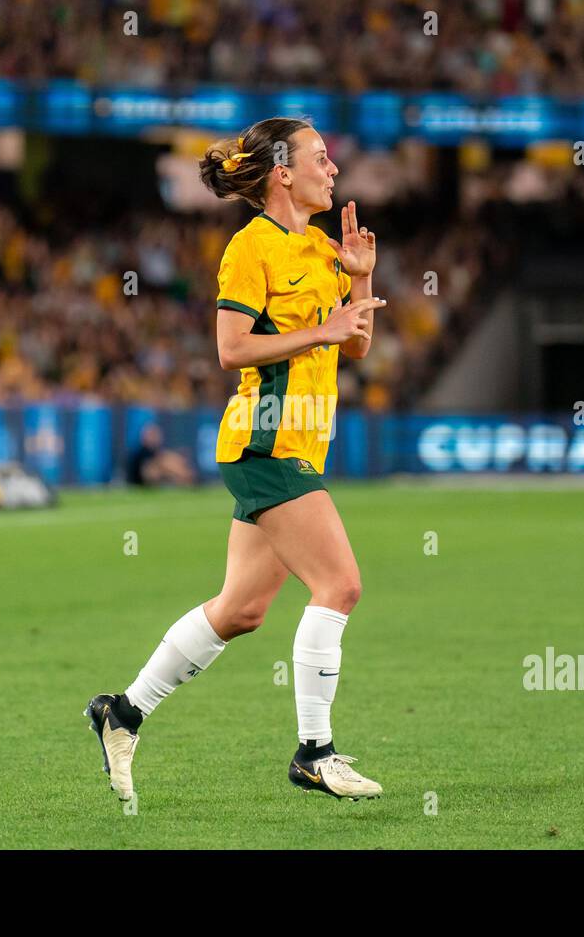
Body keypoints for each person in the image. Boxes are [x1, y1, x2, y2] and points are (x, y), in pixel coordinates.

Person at [86, 117, 388, 801]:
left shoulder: (319, 249)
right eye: (322, 158)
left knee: (242, 609)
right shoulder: (250, 248)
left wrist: (361, 284)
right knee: (340, 585)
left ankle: (121, 712)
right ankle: (316, 752)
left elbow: (355, 346)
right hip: (266, 438)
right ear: (284, 173)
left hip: (302, 440)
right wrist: (328, 325)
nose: (334, 169)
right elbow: (231, 350)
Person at [125, 422, 195, 487]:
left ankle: (186, 479)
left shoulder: (155, 451)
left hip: (150, 480)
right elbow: (148, 471)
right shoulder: (140, 452)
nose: (155, 438)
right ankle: (186, 478)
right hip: (139, 481)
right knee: (164, 463)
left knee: (168, 461)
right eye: (152, 435)